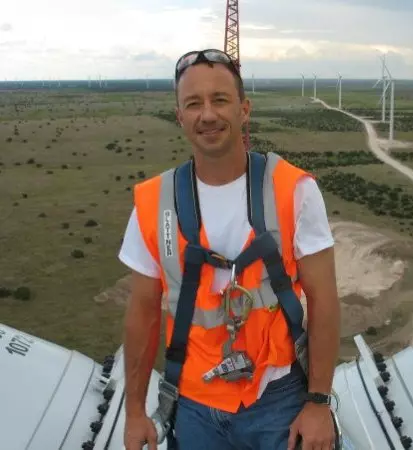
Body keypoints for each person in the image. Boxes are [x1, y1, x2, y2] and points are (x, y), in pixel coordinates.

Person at [118, 49, 341, 450]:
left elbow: (325, 300)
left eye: (220, 99)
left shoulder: (294, 190)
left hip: (279, 396)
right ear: (179, 116)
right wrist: (135, 412)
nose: (207, 115)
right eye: (193, 103)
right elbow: (142, 312)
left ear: (244, 109)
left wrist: (319, 402)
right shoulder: (154, 203)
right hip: (192, 401)